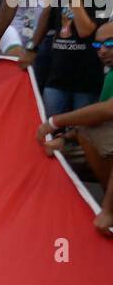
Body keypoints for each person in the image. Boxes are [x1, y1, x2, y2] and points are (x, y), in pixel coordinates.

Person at [37, 21, 113, 235]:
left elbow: (108, 111)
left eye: (110, 43)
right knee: (54, 157)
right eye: (98, 46)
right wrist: (65, 138)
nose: (103, 51)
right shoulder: (109, 75)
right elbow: (98, 120)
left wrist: (55, 122)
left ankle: (109, 208)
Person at [27, 0, 108, 117]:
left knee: (81, 131)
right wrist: (32, 47)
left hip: (86, 80)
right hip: (57, 77)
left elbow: (86, 31)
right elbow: (45, 22)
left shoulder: (104, 1)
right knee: (49, 124)